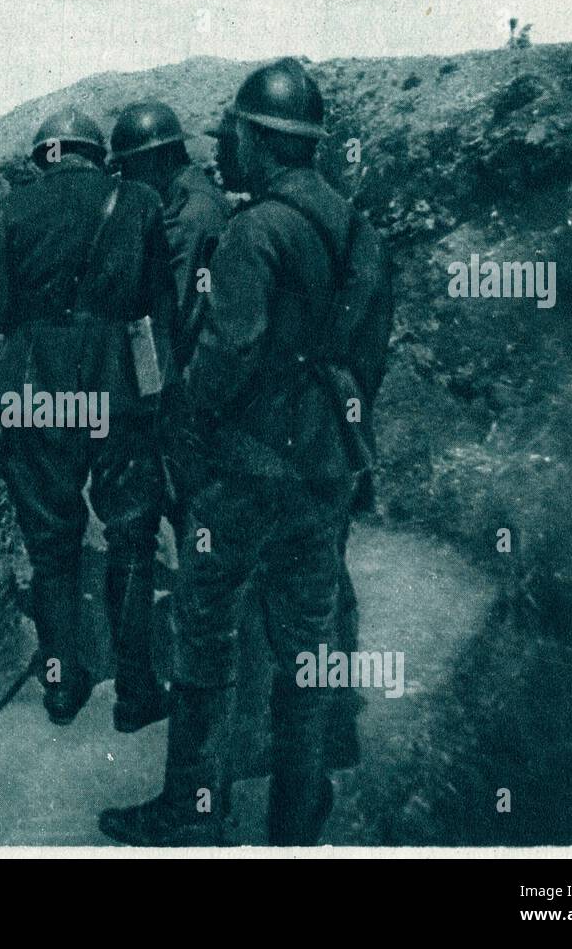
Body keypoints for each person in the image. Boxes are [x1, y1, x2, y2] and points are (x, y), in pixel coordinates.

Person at [100, 59, 391, 845]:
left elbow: (228, 355)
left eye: (234, 132)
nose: (226, 147)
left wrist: (186, 432)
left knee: (205, 635)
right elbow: (369, 355)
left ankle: (192, 810)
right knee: (306, 644)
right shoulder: (356, 228)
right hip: (324, 470)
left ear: (261, 141)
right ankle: (298, 810)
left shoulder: (252, 232)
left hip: (245, 475)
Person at [0, 106, 176, 731]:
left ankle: (62, 684)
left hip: (36, 392)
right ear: (95, 153)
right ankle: (137, 690)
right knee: (132, 536)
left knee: (51, 543)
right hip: (114, 388)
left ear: (43, 158)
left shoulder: (10, 211)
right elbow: (156, 301)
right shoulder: (137, 202)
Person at [110, 101, 230, 371]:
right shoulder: (199, 195)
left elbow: (178, 311)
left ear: (157, 159)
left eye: (128, 166)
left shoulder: (189, 214)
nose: (124, 178)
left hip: (194, 369)